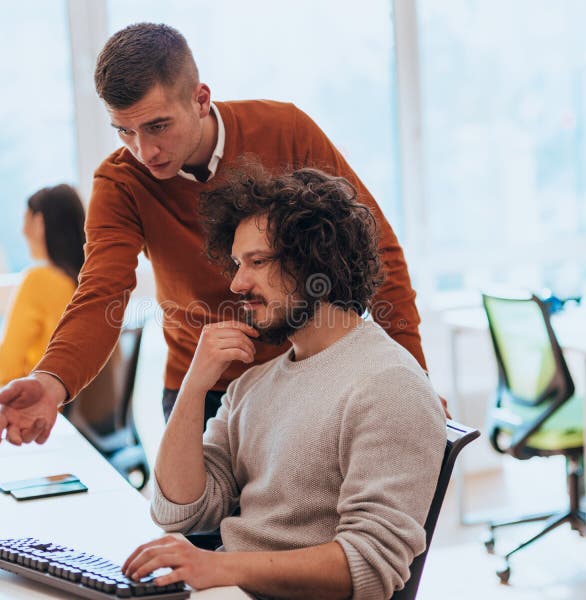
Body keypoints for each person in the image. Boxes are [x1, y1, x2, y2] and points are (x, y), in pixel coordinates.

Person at [0, 22, 446, 448]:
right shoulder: (120, 182)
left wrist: (411, 378)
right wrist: (52, 381)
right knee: (193, 536)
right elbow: (100, 293)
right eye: (124, 131)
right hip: (203, 391)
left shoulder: (285, 131)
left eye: (157, 126)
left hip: (309, 381)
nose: (143, 150)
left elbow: (377, 250)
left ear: (201, 99)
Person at [121, 166, 446, 600]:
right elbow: (179, 512)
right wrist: (194, 387)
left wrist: (217, 566)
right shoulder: (253, 385)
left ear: (317, 261)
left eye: (257, 262)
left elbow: (368, 564)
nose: (238, 283)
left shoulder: (388, 386)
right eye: (238, 264)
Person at [0, 184, 120, 429]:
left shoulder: (38, 280)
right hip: (96, 424)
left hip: (46, 417)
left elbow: (4, 371)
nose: (22, 230)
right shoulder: (93, 285)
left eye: (25, 220)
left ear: (39, 223)